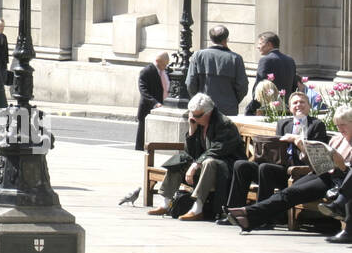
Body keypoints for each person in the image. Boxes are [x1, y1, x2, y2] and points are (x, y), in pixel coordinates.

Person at [227, 105, 352, 236]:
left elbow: (348, 173)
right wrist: (306, 151)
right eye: (337, 125)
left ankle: (247, 214)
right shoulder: (337, 139)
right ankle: (250, 218)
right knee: (286, 193)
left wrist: (340, 164)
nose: (339, 129)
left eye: (343, 125)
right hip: (322, 173)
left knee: (292, 194)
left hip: (337, 181)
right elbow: (318, 163)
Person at [223, 90, 328, 215]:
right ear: (290, 107)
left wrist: (296, 141)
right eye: (295, 103)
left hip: (297, 170)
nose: (299, 105)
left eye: (302, 102)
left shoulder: (316, 125)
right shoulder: (283, 124)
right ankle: (233, 211)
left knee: (265, 168)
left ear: (309, 106)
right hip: (278, 165)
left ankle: (260, 215)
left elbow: (317, 152)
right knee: (241, 165)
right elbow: (276, 148)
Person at [148, 92, 245, 221]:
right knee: (181, 159)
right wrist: (192, 130)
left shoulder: (224, 124)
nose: (193, 117)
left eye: (197, 115)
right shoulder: (198, 123)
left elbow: (218, 149)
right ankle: (166, 203)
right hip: (205, 163)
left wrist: (196, 164)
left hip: (227, 166)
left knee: (209, 162)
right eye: (191, 114)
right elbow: (190, 153)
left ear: (208, 112)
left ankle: (198, 208)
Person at [186, 24, 248, 116]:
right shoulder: (235, 58)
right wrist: (233, 101)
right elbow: (242, 86)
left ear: (211, 39)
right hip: (228, 109)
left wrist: (198, 100)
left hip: (203, 108)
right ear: (226, 39)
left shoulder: (198, 56)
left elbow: (190, 83)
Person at [244, 31, 300, 116]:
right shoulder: (290, 60)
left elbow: (260, 86)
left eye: (260, 43)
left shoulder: (265, 60)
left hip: (269, 107)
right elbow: (294, 86)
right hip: (286, 107)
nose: (258, 47)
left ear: (269, 44)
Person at [135, 52, 171, 151]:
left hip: (162, 106)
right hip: (148, 108)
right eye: (164, 64)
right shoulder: (146, 71)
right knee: (142, 134)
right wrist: (155, 103)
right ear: (158, 61)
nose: (165, 66)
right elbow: (143, 91)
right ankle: (139, 151)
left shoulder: (165, 72)